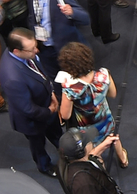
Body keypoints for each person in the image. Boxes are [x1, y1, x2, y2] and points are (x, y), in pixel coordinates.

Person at [1, 28, 64, 176]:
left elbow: (41, 74)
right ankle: (44, 166)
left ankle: (64, 150)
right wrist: (50, 110)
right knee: (38, 145)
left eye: (35, 46)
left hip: (47, 103)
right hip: (32, 120)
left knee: (57, 134)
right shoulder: (12, 77)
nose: (36, 51)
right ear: (16, 51)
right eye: (31, 49)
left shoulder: (26, 54)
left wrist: (52, 93)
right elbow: (27, 109)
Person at [55, 41, 128, 169]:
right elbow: (113, 94)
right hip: (105, 118)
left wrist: (64, 88)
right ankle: (123, 159)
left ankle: (102, 169)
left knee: (94, 149)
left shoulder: (71, 89)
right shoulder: (104, 75)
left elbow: (65, 115)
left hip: (87, 127)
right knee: (113, 136)